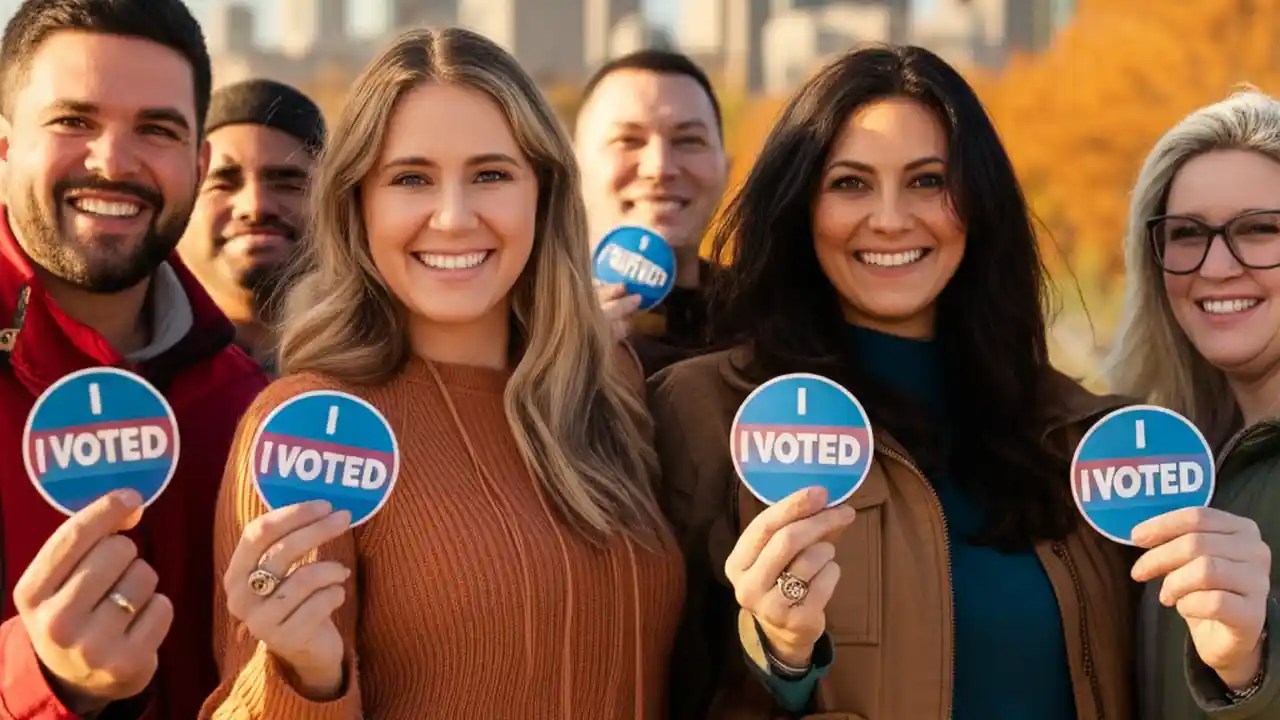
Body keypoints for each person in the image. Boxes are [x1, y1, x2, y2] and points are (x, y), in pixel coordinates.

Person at [648, 45, 1269, 719]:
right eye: (850, 183)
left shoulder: (1085, 439)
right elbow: (657, 684)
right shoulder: (709, 415)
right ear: (800, 203)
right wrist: (783, 658)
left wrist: (1244, 671)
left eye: (927, 181)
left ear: (978, 202)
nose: (891, 218)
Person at [201, 27, 683, 719]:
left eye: (491, 175)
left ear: (544, 193)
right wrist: (305, 677)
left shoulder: (610, 387)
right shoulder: (313, 427)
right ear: (357, 203)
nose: (453, 218)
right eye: (411, 179)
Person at [0, 1, 267, 718]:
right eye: (73, 121)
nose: (113, 163)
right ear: (4, 145)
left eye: (157, 129)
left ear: (198, 163)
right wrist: (39, 681)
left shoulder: (249, 410)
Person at [1107, 89, 1280, 719]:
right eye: (1187, 234)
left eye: (1260, 229)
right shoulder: (1151, 466)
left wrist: (1250, 669)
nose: (1217, 266)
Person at [575, 49, 728, 376]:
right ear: (572, 166)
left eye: (689, 140)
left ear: (725, 165)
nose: (659, 167)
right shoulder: (517, 326)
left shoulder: (778, 329)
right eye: (628, 140)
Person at [177, 79, 325, 374]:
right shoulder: (132, 364)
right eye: (222, 183)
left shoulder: (378, 362)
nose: (255, 207)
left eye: (287, 183)